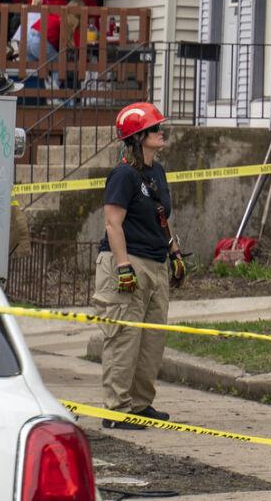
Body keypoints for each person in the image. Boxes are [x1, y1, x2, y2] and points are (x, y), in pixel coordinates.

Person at [93, 102, 184, 429]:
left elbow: (161, 217)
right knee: (124, 339)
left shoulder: (157, 171)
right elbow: (112, 224)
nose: (161, 132)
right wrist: (123, 266)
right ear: (137, 137)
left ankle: (140, 404)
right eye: (154, 128)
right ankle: (116, 410)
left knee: (151, 340)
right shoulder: (123, 175)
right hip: (127, 261)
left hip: (155, 263)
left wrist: (174, 253)